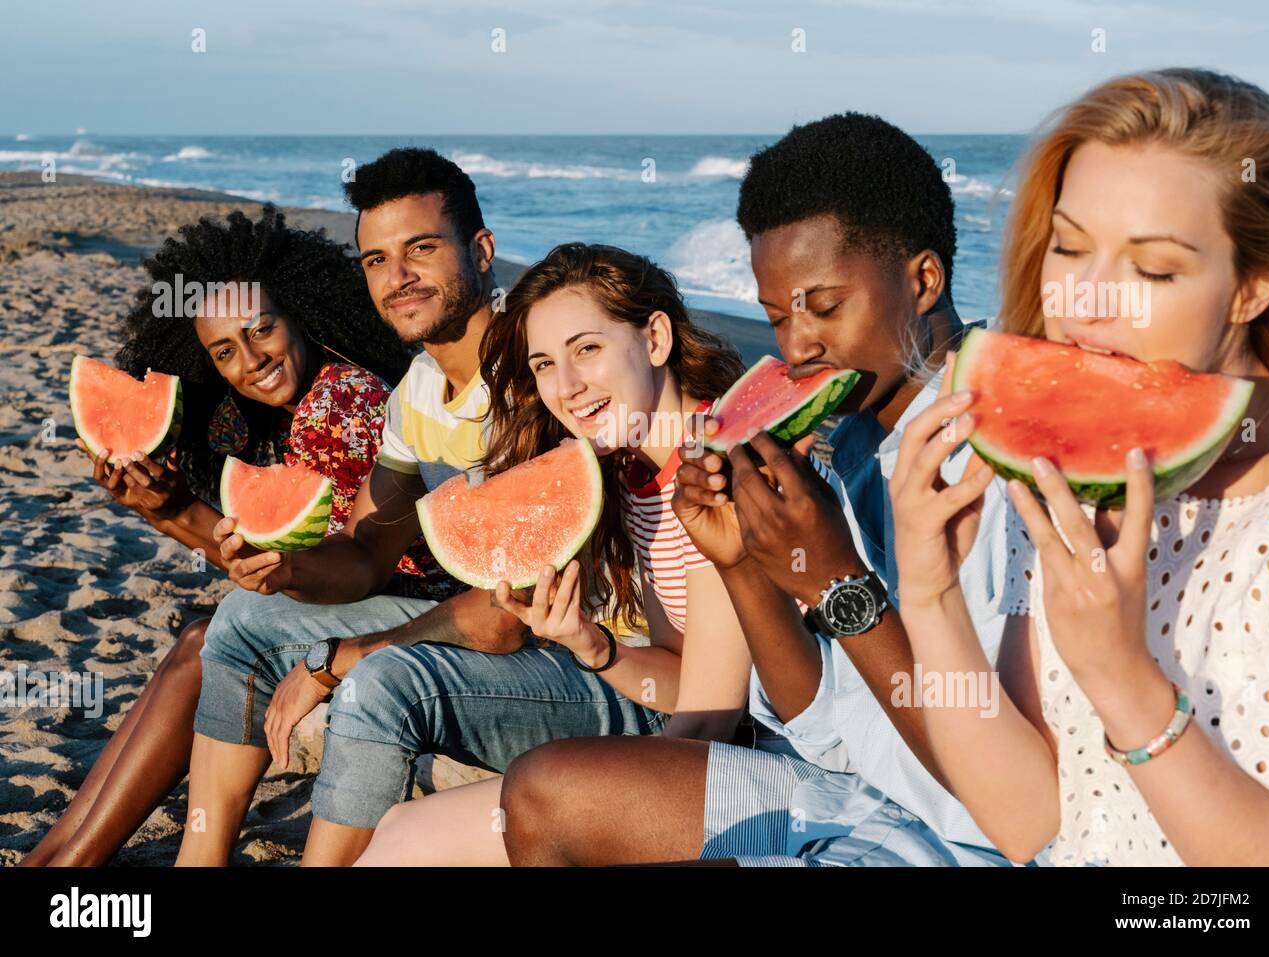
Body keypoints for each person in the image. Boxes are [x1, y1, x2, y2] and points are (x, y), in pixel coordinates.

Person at [496, 113, 1027, 866]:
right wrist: (743, 562)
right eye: (777, 317)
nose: (798, 346)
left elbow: (995, 786)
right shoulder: (840, 443)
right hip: (857, 796)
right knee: (542, 787)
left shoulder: (998, 458)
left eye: (826, 307)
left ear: (924, 278)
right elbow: (826, 729)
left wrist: (837, 575)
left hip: (972, 835)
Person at [179, 152, 708, 867]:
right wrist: (286, 564)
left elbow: (503, 611)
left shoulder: (546, 380)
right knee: (241, 618)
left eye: (420, 249)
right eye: (375, 259)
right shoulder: (416, 394)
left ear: (481, 251)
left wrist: (343, 658)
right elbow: (366, 552)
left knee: (379, 681)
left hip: (585, 658)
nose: (396, 278)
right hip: (548, 636)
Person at [892, 68, 1269, 866]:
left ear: (1251, 287)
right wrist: (930, 595)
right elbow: (1032, 819)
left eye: (1152, 269)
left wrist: (1123, 679)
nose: (1085, 299)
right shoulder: (1064, 476)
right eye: (1070, 247)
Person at [23, 206, 439, 866]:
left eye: (262, 329)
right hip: (349, 606)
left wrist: (171, 513)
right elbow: (269, 568)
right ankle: (61, 851)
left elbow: (303, 577)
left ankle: (66, 861)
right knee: (199, 636)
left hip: (411, 613)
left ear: (299, 311)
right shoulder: (248, 420)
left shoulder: (341, 401)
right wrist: (162, 506)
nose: (252, 360)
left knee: (202, 642)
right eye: (224, 351)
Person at [355, 242, 756, 865]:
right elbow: (684, 676)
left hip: (764, 772)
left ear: (654, 338)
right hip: (709, 750)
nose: (565, 387)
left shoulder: (715, 473)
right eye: (543, 364)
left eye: (586, 349)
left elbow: (709, 722)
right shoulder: (632, 473)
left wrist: (600, 797)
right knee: (405, 827)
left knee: (416, 840)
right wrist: (592, 646)